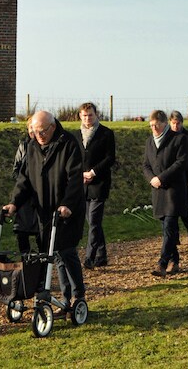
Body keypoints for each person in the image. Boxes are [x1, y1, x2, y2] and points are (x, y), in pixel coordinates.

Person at [3, 110, 86, 312]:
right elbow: (24, 179)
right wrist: (14, 203)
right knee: (53, 254)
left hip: (66, 210)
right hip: (44, 212)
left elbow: (75, 179)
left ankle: (78, 295)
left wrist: (67, 204)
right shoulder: (32, 147)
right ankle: (65, 298)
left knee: (66, 251)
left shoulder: (69, 144)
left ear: (53, 127)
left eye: (42, 131)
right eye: (35, 131)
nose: (39, 135)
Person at [140, 109, 188, 276]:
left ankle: (161, 264)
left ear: (164, 123)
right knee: (167, 229)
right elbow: (145, 164)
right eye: (151, 126)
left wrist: (162, 177)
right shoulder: (149, 142)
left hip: (174, 191)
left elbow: (181, 163)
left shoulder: (179, 139)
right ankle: (174, 261)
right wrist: (152, 179)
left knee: (169, 226)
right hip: (158, 191)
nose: (153, 128)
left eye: (156, 125)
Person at [73, 102, 116, 269]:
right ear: (80, 116)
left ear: (96, 114)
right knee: (92, 221)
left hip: (99, 182)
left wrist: (93, 172)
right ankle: (102, 255)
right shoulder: (76, 135)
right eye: (84, 115)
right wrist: (81, 174)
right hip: (82, 184)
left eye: (90, 115)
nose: (87, 118)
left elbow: (110, 158)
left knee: (94, 222)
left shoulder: (106, 133)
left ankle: (89, 257)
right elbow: (74, 158)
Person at [169, 111, 188, 242]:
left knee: (184, 206)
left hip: (185, 177)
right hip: (170, 177)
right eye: (174, 123)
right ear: (170, 123)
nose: (176, 126)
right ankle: (174, 237)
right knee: (171, 208)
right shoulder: (166, 136)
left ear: (182, 123)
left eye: (178, 123)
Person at [11, 120, 40, 252]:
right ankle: (25, 260)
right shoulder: (23, 146)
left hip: (40, 194)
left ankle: (44, 261)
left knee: (41, 232)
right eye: (30, 128)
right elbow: (16, 168)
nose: (33, 131)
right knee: (21, 231)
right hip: (24, 195)